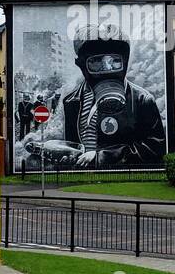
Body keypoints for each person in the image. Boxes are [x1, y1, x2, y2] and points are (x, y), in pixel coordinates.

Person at [61, 24, 166, 168]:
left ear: (125, 61)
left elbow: (155, 148)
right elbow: (71, 146)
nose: (107, 68)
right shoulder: (71, 102)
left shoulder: (142, 100)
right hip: (81, 177)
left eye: (115, 61)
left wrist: (103, 157)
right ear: (80, 64)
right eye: (96, 61)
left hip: (121, 178)